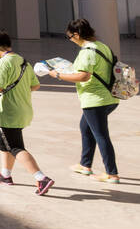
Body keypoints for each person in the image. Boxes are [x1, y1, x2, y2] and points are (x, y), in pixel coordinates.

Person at [0, 29, 52, 195]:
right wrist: (20, 93)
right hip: (23, 109)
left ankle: (41, 178)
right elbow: (35, 85)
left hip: (9, 112)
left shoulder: (2, 64)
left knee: (15, 147)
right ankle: (5, 174)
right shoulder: (22, 61)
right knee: (5, 143)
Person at [45, 18, 120, 184]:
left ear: (77, 35)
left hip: (95, 100)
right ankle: (85, 165)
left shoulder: (87, 51)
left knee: (101, 135)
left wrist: (57, 75)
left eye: (70, 37)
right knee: (85, 128)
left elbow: (83, 76)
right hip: (109, 97)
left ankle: (112, 174)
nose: (70, 40)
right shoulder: (102, 46)